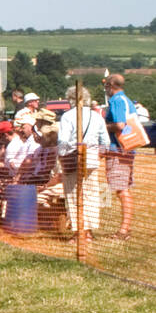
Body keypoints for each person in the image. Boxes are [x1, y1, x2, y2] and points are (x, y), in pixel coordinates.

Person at [57, 84, 107, 242]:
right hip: (92, 159)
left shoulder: (67, 116)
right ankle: (89, 232)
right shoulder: (97, 116)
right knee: (91, 195)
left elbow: (63, 140)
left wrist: (62, 155)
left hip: (73, 159)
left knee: (73, 196)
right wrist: (97, 155)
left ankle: (79, 232)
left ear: (71, 100)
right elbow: (105, 141)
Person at [102, 73, 137, 240]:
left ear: (111, 85)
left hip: (118, 150)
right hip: (127, 149)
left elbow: (119, 125)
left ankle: (124, 230)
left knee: (122, 190)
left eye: (106, 85)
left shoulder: (116, 101)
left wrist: (102, 126)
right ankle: (125, 228)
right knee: (123, 189)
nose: (105, 89)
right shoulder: (126, 100)